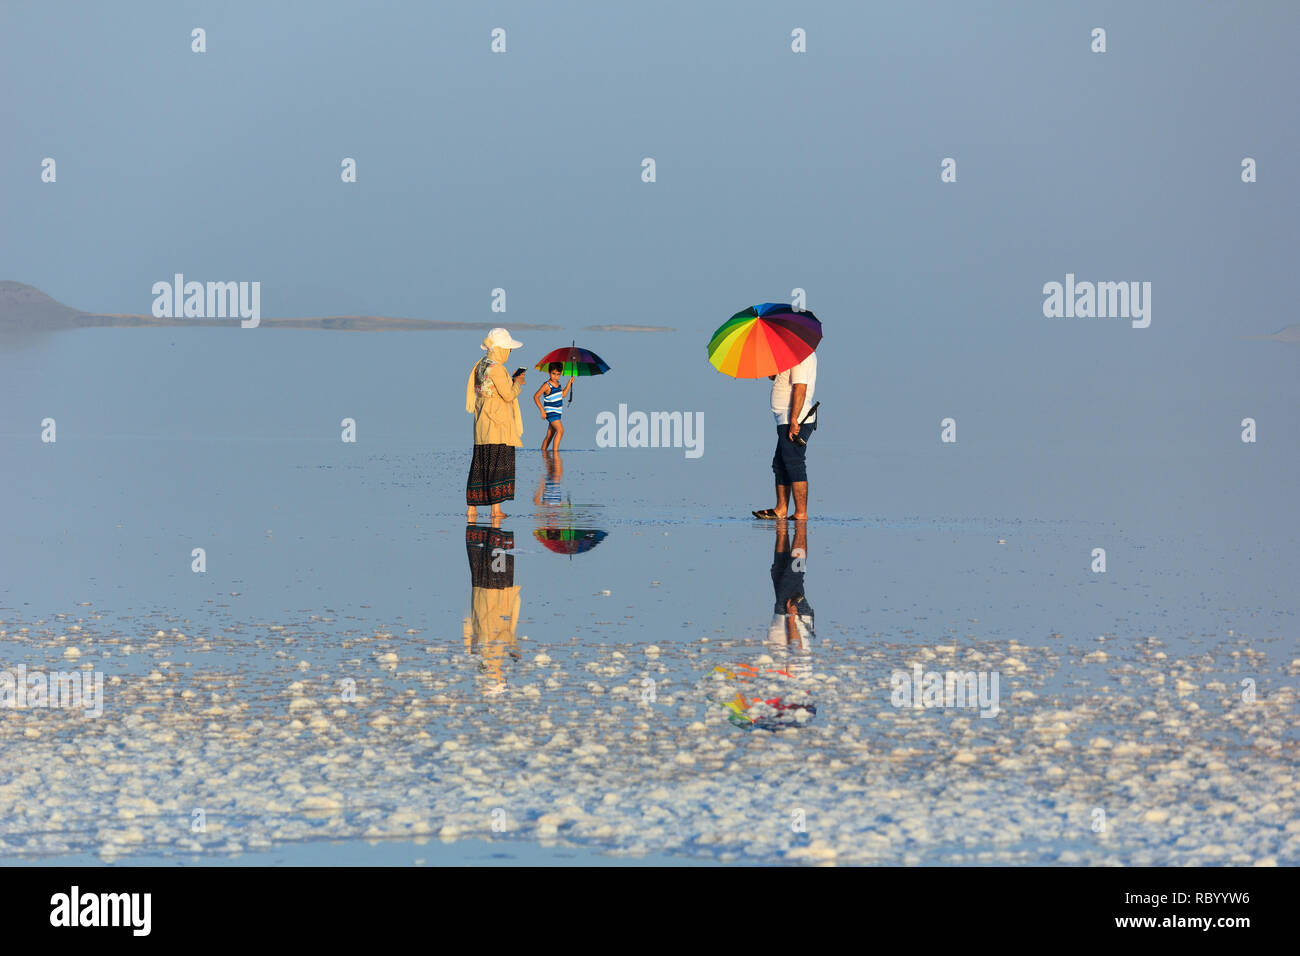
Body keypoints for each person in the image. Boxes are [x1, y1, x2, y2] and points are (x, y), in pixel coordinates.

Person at [465, 328, 526, 521]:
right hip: (497, 424)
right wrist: (518, 382)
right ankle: (494, 510)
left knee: (480, 465)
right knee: (497, 466)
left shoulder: (481, 364)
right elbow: (508, 394)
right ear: (500, 349)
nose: (509, 352)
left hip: (482, 423)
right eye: (508, 349)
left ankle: (472, 509)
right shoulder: (497, 368)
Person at [753, 350, 816, 521]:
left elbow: (800, 388)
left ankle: (801, 513)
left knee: (794, 462)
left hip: (795, 418)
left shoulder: (801, 354)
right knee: (780, 464)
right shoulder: (787, 355)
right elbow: (775, 377)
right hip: (784, 418)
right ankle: (781, 509)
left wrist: (794, 419)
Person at [534, 362, 573, 451]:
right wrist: (542, 410)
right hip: (551, 412)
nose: (555, 376)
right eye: (553, 374)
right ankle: (555, 452)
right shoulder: (547, 385)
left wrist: (569, 383)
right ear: (549, 372)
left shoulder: (558, 384)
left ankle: (543, 452)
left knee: (550, 434)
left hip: (557, 412)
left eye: (558, 374)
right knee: (560, 430)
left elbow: (563, 394)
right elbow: (536, 396)